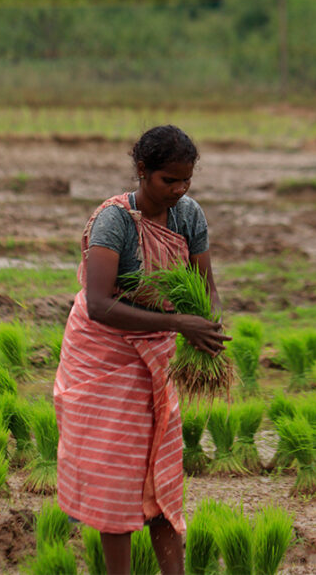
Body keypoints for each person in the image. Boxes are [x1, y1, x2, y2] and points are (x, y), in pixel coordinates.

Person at [53, 124, 229, 575]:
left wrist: (206, 323)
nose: (179, 189)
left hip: (158, 357)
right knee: (117, 475)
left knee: (162, 474)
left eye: (186, 179)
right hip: (106, 355)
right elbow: (98, 303)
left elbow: (206, 287)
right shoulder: (114, 222)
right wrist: (177, 322)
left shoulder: (189, 216)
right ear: (141, 171)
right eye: (168, 180)